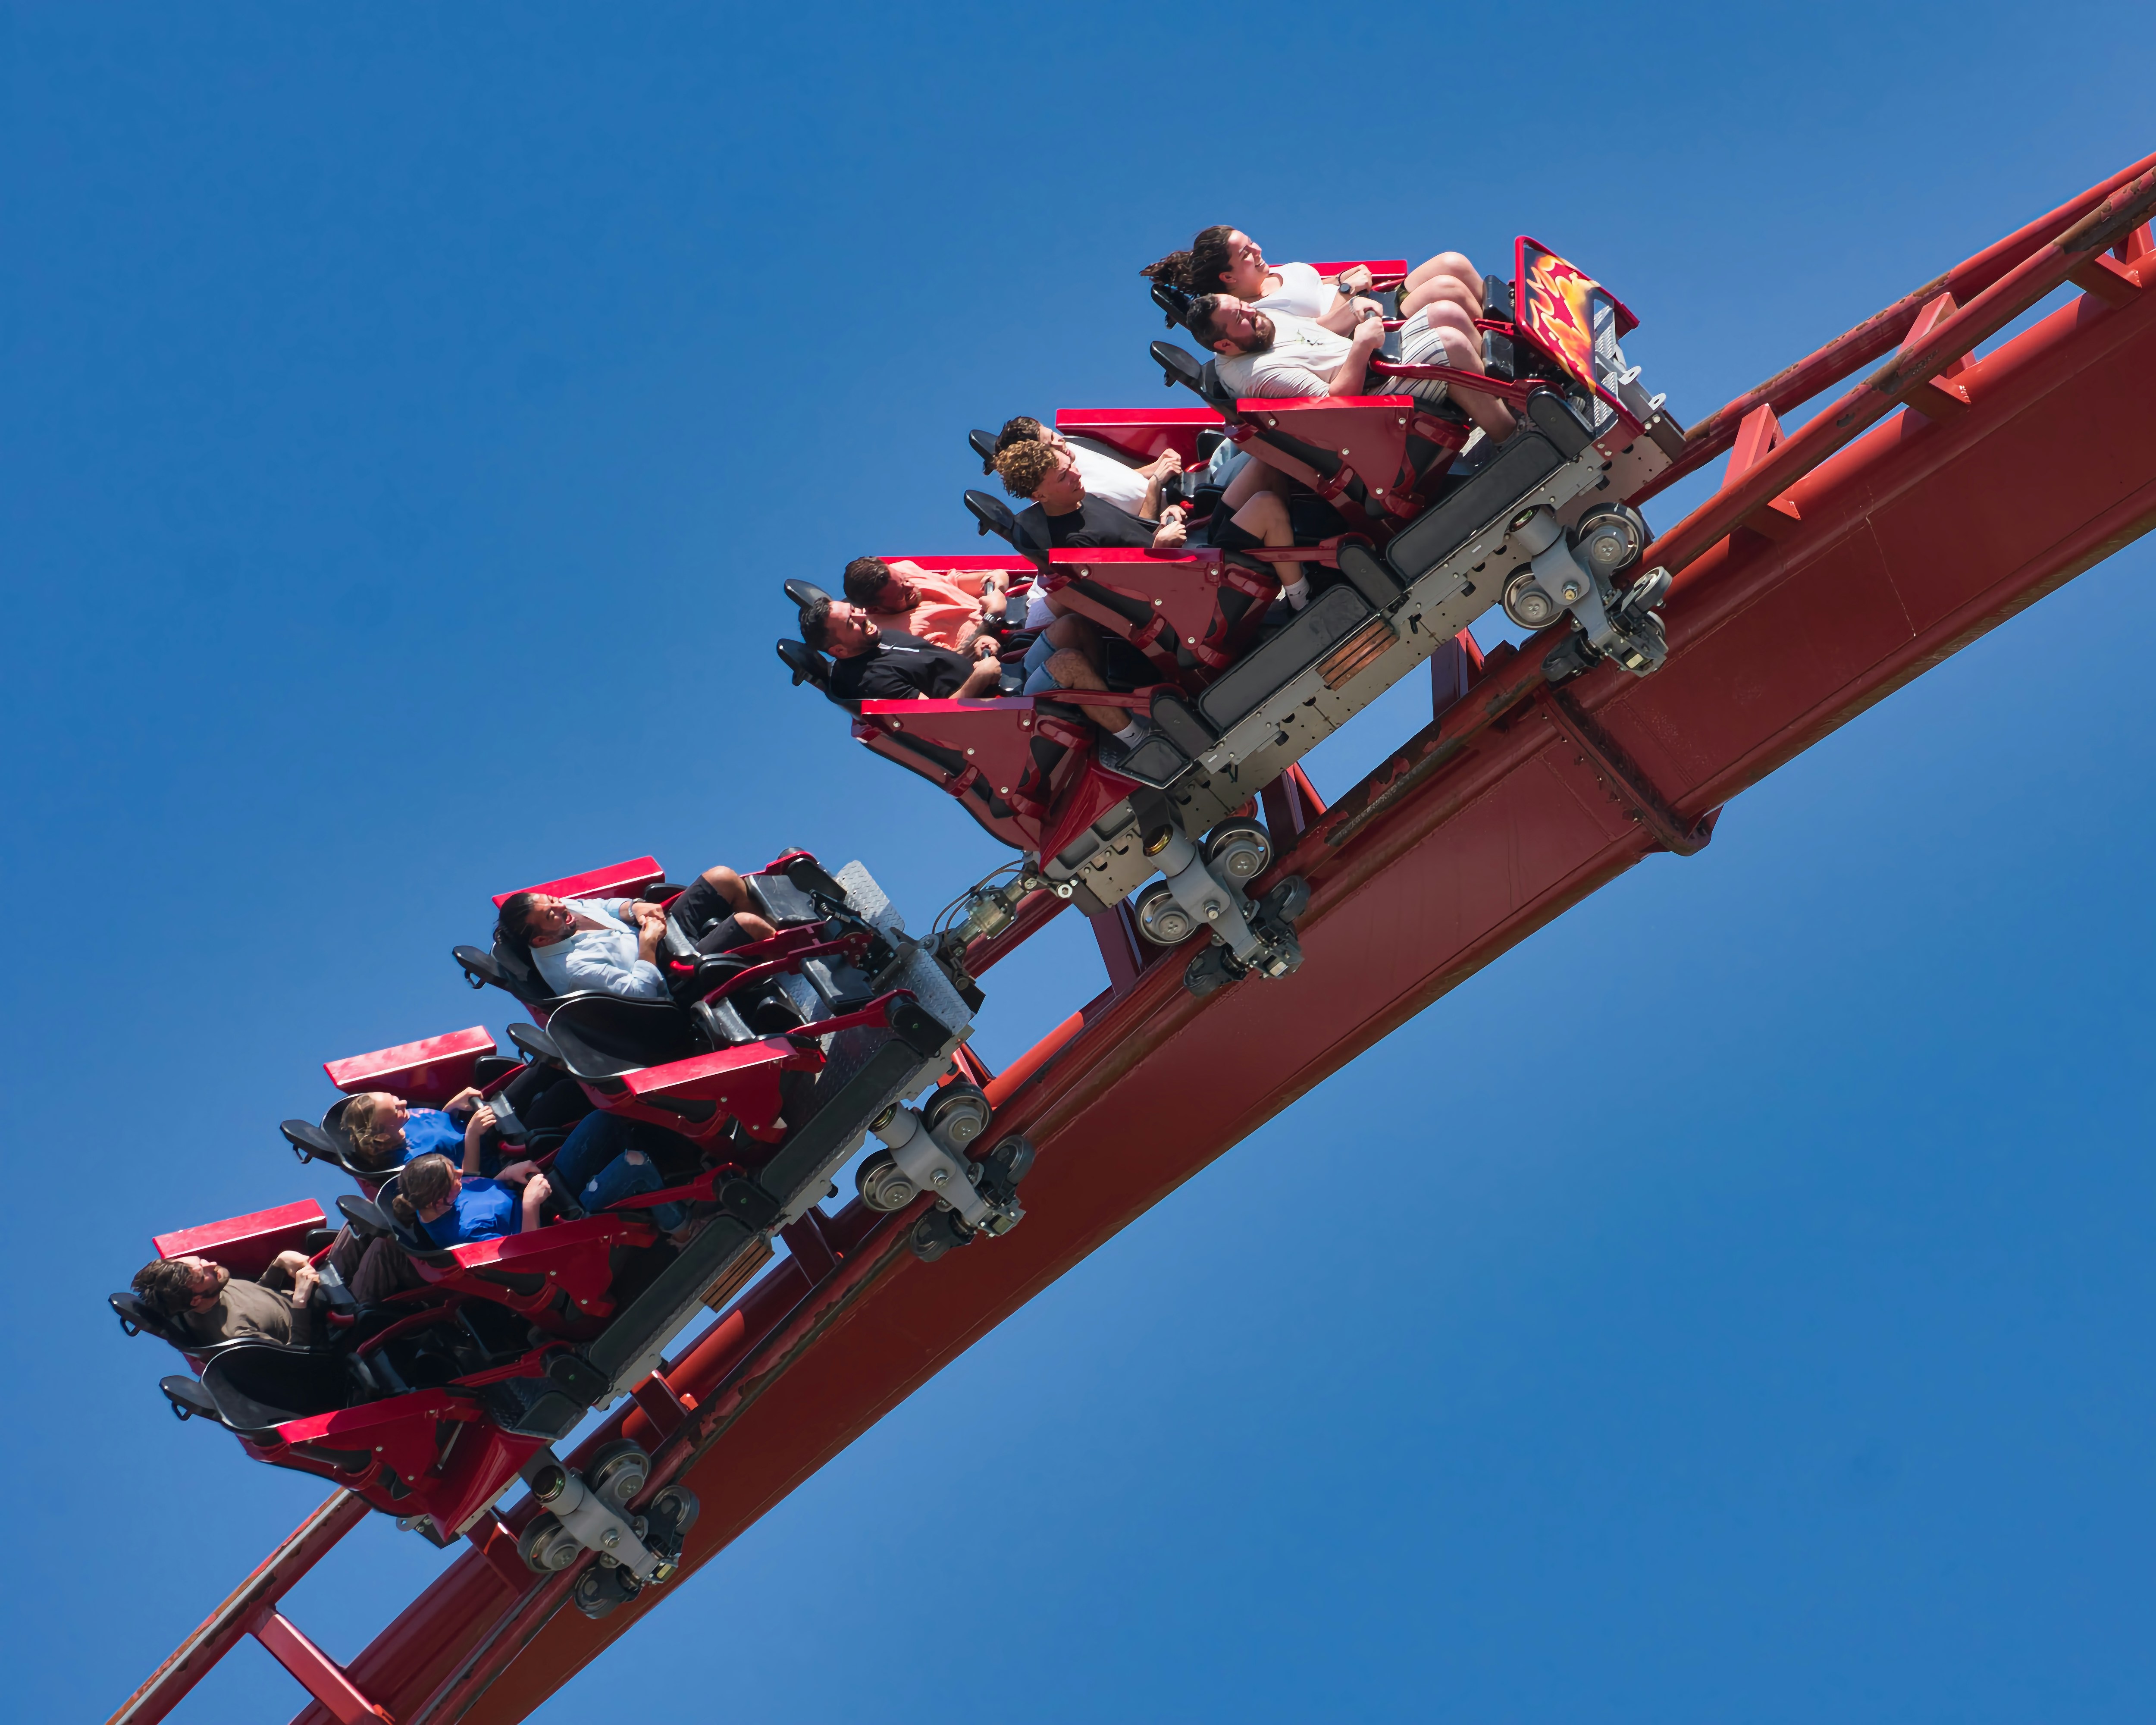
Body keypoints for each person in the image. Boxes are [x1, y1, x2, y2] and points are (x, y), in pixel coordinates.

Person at [1188, 293, 1516, 445]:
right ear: (1225, 346)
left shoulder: (1258, 324)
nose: (1252, 313)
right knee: (1449, 343)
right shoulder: (1257, 374)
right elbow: (1335, 404)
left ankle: (1507, 398)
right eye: (1240, 319)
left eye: (1243, 305)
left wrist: (1354, 308)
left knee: (1447, 310)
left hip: (1376, 360)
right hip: (1370, 399)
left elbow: (1315, 329)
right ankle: (1510, 436)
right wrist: (1360, 347)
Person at [496, 866, 778, 1003]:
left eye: (552, 900)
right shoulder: (573, 971)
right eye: (550, 915)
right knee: (747, 924)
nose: (560, 906)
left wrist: (635, 908)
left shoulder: (561, 911)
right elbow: (641, 994)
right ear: (541, 941)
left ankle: (774, 952)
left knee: (722, 878)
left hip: (660, 936)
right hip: (671, 980)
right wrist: (648, 946)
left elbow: (604, 906)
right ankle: (793, 977)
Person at [1143, 226, 1484, 333]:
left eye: (1252, 244)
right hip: (1366, 327)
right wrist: (1349, 291)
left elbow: (1323, 285)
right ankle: (1500, 352)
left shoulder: (1277, 273)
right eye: (1246, 254)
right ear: (1228, 276)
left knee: (1450, 262)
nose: (1258, 250)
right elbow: (1318, 335)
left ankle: (1508, 319)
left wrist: (1342, 280)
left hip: (1375, 299)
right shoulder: (1255, 313)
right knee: (1447, 288)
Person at [992, 439, 1189, 556]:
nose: (1077, 475)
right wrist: (1160, 548)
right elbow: (1131, 593)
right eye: (1063, 477)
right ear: (1039, 495)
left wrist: (1163, 523)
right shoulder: (1075, 542)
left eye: (1070, 465)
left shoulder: (1083, 499)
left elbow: (1139, 540)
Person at [800, 594, 1007, 703]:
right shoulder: (874, 681)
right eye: (850, 623)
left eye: (853, 610)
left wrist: (973, 649)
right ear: (840, 651)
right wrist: (980, 678)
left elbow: (935, 667)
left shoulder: (877, 638)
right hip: (998, 705)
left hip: (999, 678)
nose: (862, 617)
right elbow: (939, 719)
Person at [987, 416, 1184, 520]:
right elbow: (1142, 536)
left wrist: (1155, 469)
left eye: (1053, 434)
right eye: (1050, 445)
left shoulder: (1068, 452)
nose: (1060, 440)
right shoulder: (1073, 496)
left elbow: (1116, 484)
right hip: (1172, 520)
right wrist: (1156, 484)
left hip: (1177, 492)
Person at [132, 1251, 320, 1347]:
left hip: (314, 1297)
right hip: (328, 1328)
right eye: (203, 1275)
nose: (212, 1265)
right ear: (196, 1300)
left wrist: (279, 1263)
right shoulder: (237, 1335)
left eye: (202, 1262)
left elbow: (258, 1298)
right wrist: (301, 1303)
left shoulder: (215, 1285)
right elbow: (299, 1356)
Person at [840, 556, 1009, 653]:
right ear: (875, 609)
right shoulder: (899, 636)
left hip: (1011, 612)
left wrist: (997, 581)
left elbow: (956, 583)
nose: (912, 587)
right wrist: (991, 617)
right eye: (903, 595)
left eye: (905, 580)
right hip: (1003, 647)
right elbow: (957, 660)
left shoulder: (905, 569)